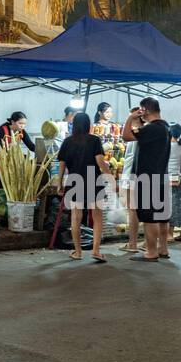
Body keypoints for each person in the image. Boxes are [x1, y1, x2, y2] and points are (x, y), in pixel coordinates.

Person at [56, 112, 112, 262]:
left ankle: (78, 251)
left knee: (76, 216)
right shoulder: (94, 140)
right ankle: (95, 250)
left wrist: (59, 182)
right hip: (93, 179)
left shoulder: (67, 142)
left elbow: (62, 164)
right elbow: (100, 162)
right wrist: (110, 177)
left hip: (74, 180)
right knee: (97, 216)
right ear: (88, 125)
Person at [127, 98, 172, 262]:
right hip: (161, 176)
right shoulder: (166, 127)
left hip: (147, 178)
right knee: (161, 216)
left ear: (145, 110)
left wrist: (130, 118)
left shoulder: (152, 128)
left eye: (141, 110)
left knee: (149, 217)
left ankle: (151, 252)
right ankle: (163, 249)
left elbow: (126, 136)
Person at [0, 112, 33, 192]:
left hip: (7, 160)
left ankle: (1, 203)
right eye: (20, 123)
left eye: (24, 124)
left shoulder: (21, 132)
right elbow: (0, 150)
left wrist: (43, 150)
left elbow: (31, 146)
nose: (22, 126)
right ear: (13, 122)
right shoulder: (2, 130)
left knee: (3, 184)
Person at [120, 104, 143, 253]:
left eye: (132, 117)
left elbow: (125, 136)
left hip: (132, 174)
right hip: (134, 173)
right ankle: (141, 242)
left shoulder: (138, 133)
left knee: (133, 210)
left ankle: (133, 243)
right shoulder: (142, 132)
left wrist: (130, 118)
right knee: (135, 209)